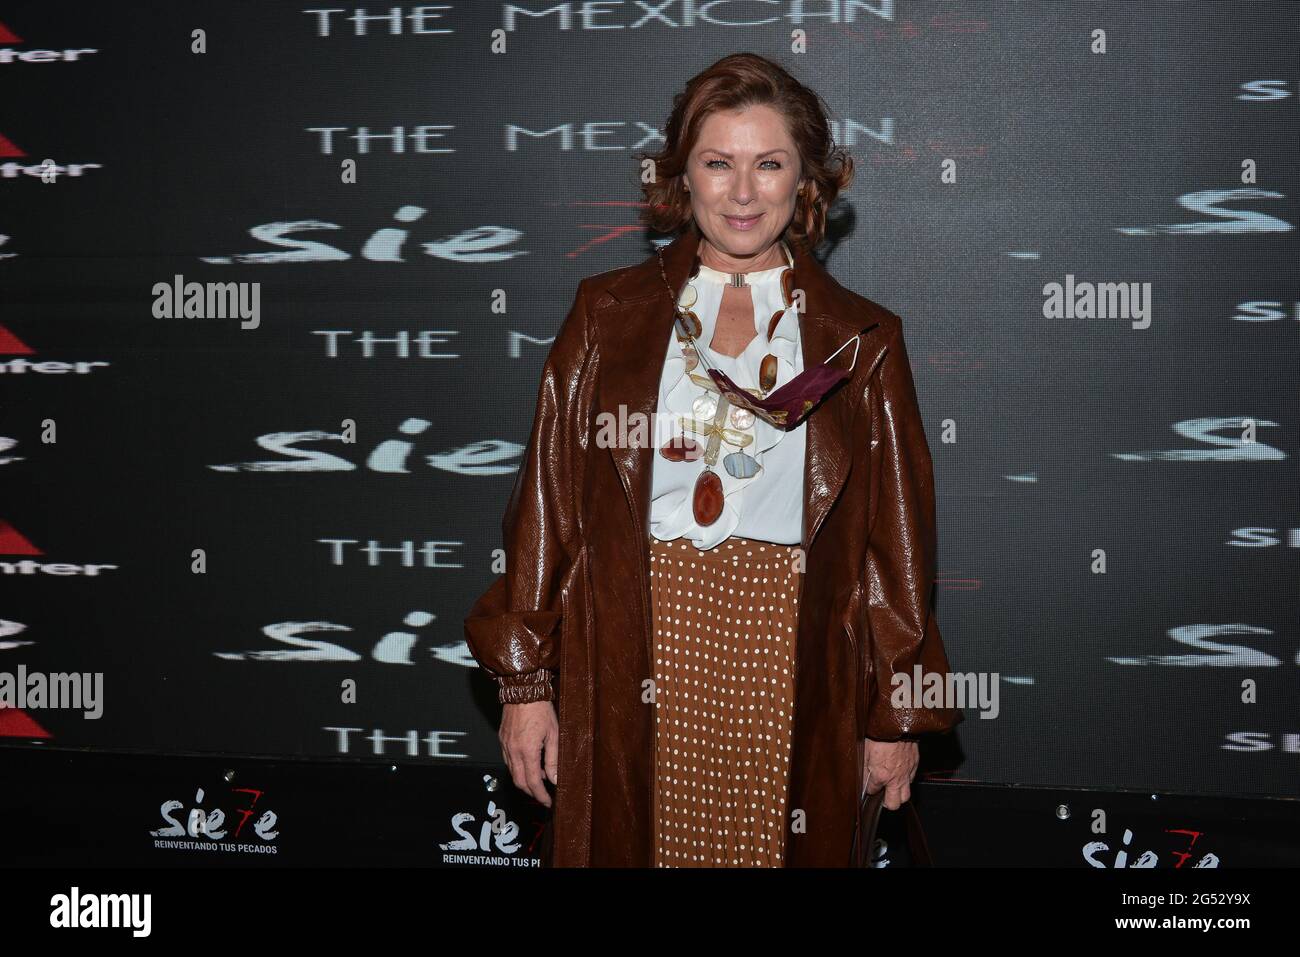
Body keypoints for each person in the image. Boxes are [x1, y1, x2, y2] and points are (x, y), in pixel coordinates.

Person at [464, 52, 961, 867]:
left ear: (806, 181)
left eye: (769, 164)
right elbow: (547, 510)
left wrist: (895, 714)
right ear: (679, 176)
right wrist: (524, 686)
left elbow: (896, 551)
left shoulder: (862, 339)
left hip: (789, 652)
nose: (741, 192)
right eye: (717, 162)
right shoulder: (606, 315)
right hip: (633, 642)